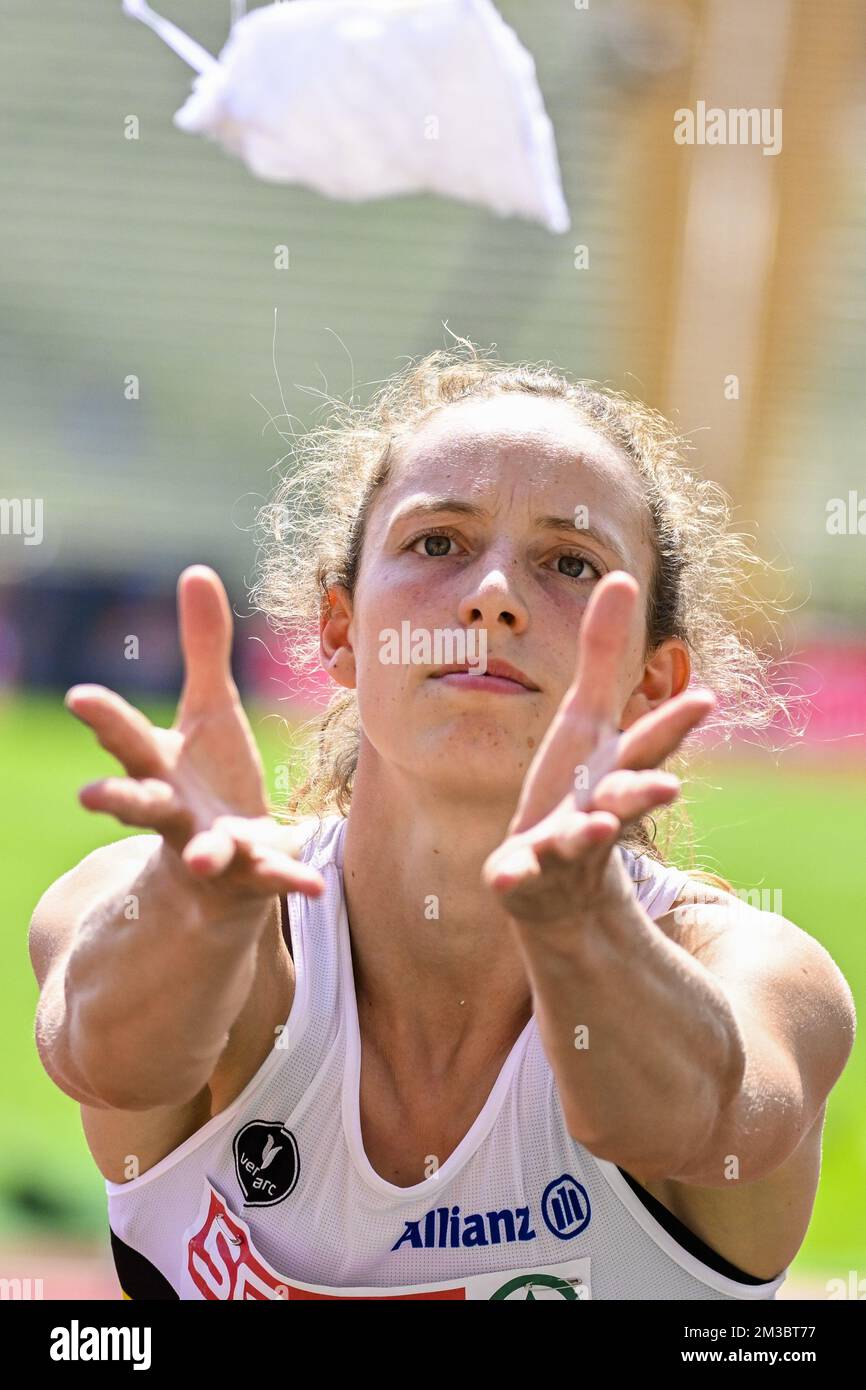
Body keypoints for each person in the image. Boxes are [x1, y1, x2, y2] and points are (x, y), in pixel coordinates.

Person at [29, 346, 855, 1301]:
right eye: (437, 543)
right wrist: (200, 917)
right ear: (340, 632)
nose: (493, 595)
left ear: (651, 682)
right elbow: (107, 1058)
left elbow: (704, 1123)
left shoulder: (753, 969)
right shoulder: (178, 908)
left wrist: (583, 929)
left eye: (571, 562)